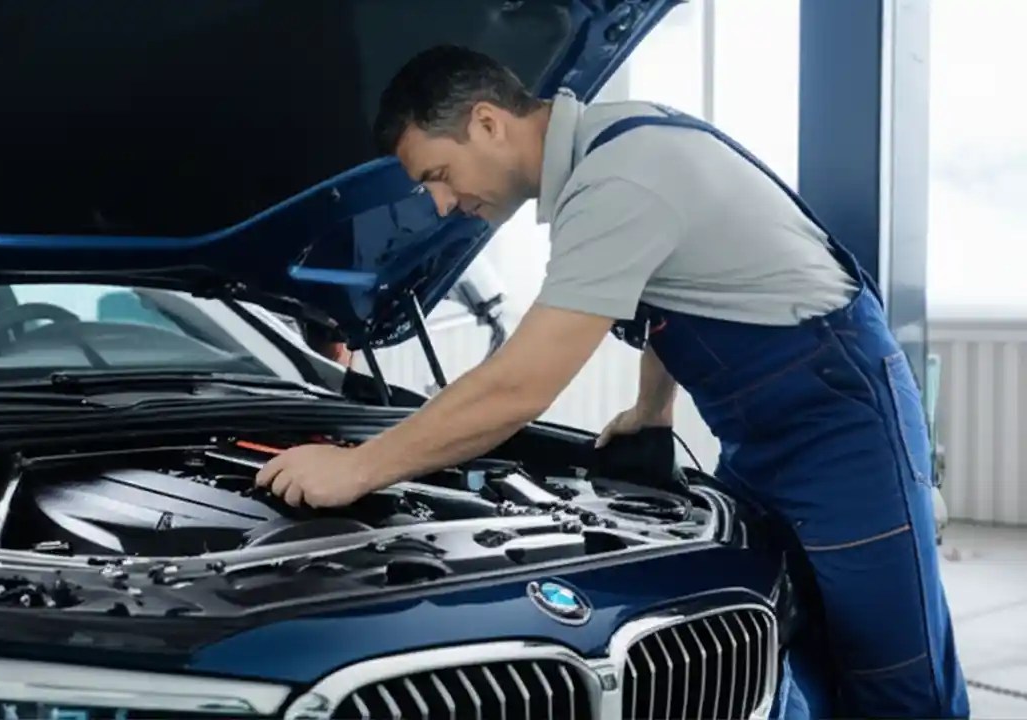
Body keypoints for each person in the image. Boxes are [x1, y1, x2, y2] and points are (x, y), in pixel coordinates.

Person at [254, 45, 968, 718]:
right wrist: (650, 408)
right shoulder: (612, 154)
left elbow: (520, 386)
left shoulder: (619, 175)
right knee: (792, 644)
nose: (442, 205)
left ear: (487, 123)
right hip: (765, 431)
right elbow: (674, 288)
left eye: (437, 175)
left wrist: (359, 467)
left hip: (844, 424)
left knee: (894, 670)